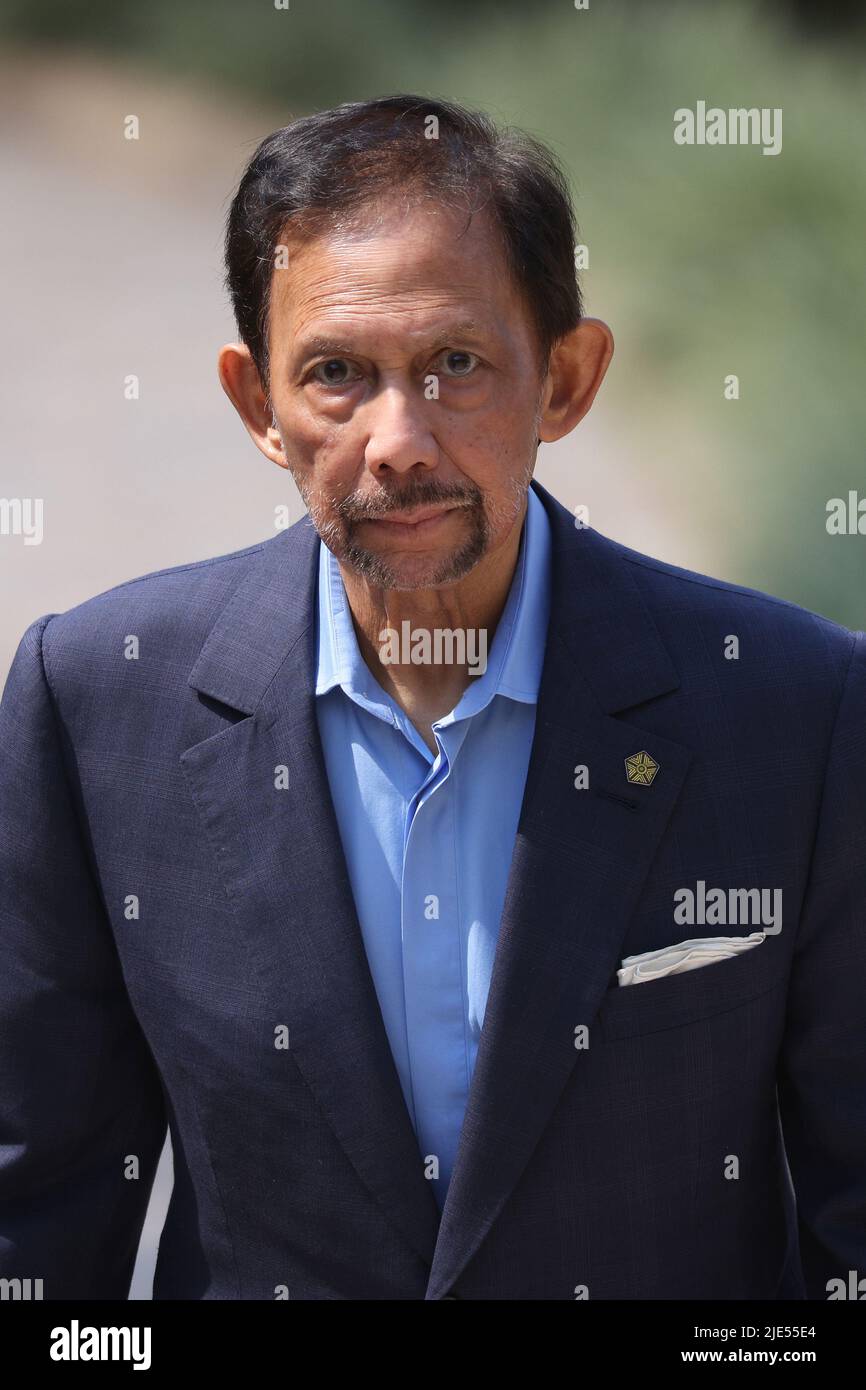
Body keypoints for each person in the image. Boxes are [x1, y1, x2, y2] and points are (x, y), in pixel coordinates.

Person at [1, 94, 863, 1301]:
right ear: (257, 405)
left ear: (564, 378)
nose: (397, 440)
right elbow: (37, 1221)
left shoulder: (794, 710)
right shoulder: (96, 701)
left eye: (454, 365)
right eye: (337, 375)